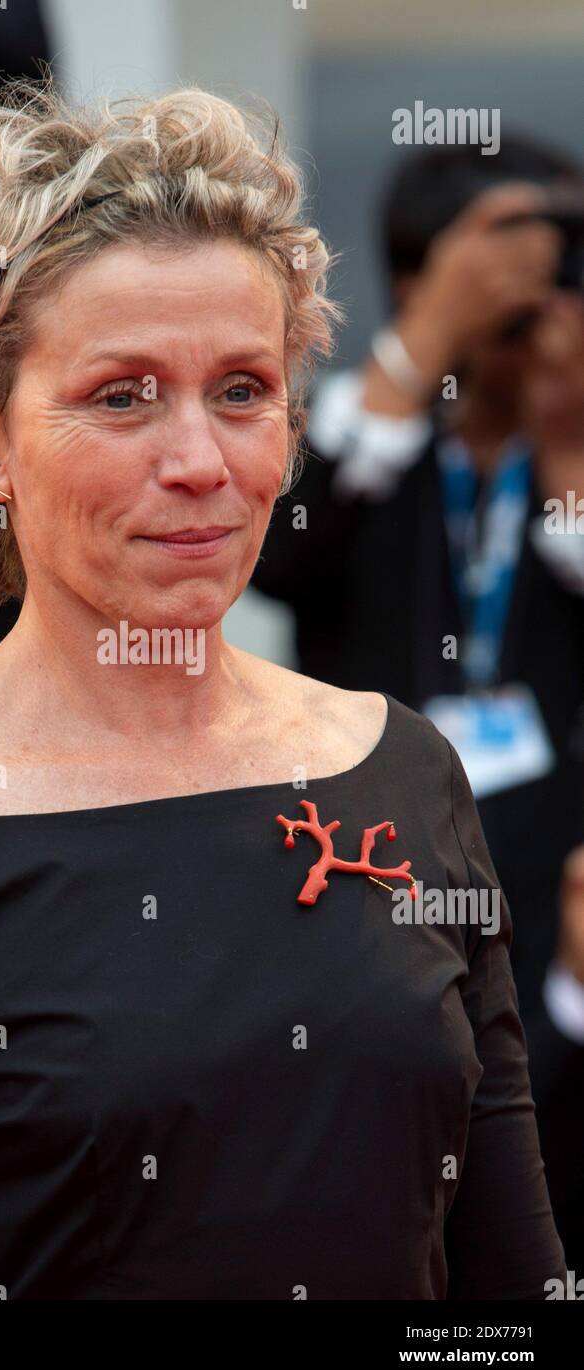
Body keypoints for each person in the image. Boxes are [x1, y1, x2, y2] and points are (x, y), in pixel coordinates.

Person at [0, 78, 567, 1300]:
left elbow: (507, 1287)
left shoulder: (398, 769)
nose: (198, 463)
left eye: (242, 390)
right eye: (121, 397)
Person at [251, 137, 584, 1271]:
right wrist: (423, 337)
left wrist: (566, 451)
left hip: (558, 905)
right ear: (411, 275)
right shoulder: (372, 452)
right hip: (368, 887)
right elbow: (280, 558)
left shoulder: (561, 455)